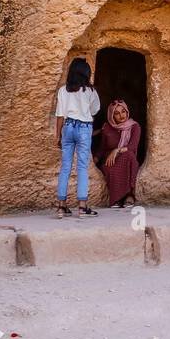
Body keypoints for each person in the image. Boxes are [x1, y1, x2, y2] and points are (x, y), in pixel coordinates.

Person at [55, 57, 101, 218]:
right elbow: (95, 110)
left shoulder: (63, 90)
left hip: (68, 127)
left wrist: (58, 136)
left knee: (65, 167)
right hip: (84, 128)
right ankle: (82, 207)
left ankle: (61, 206)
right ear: (86, 74)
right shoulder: (90, 91)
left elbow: (60, 115)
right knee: (82, 167)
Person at [96, 99, 142, 209]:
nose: (121, 115)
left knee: (129, 156)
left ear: (127, 111)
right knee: (111, 166)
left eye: (123, 111)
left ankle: (129, 195)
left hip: (126, 157)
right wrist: (94, 160)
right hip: (109, 159)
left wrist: (116, 150)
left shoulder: (134, 126)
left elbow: (132, 146)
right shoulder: (107, 128)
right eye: (116, 113)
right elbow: (102, 148)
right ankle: (117, 198)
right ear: (112, 116)